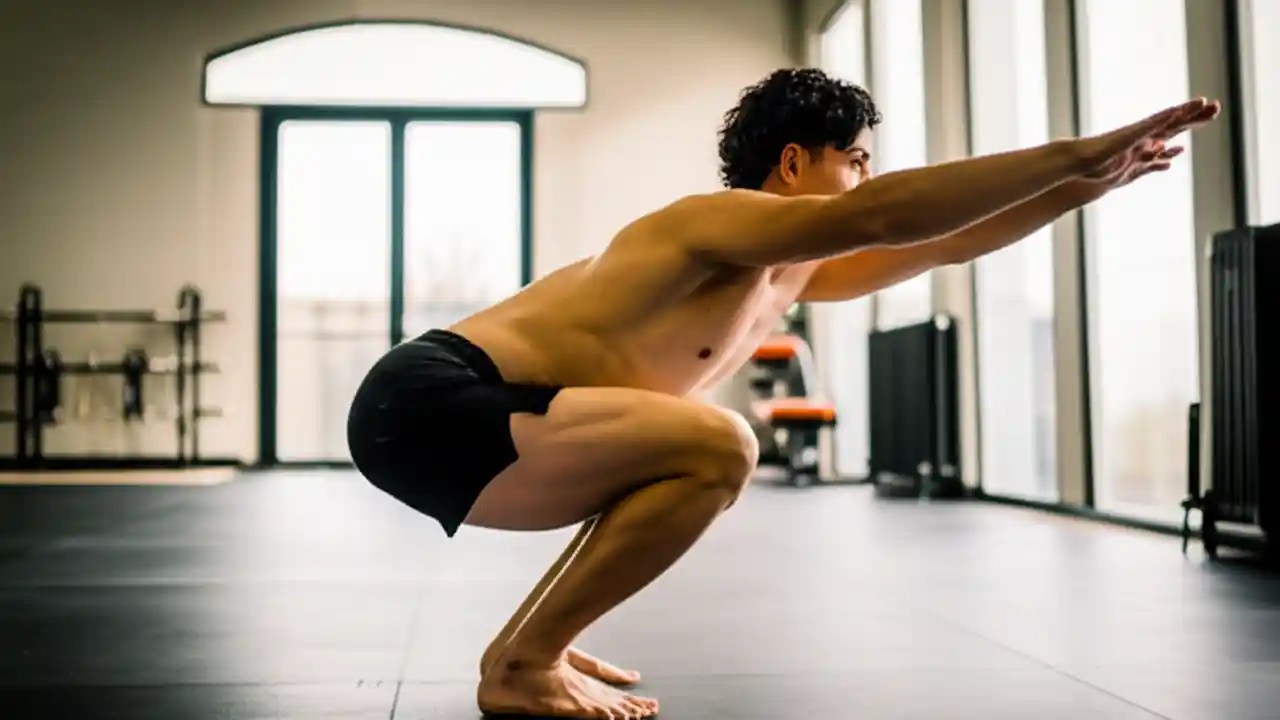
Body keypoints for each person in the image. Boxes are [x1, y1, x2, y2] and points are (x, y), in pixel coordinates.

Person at [346, 68, 1220, 719]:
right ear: (795, 161)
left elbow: (944, 241)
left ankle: (527, 652)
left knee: (680, 449)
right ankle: (524, 665)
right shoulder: (709, 221)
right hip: (430, 401)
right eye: (857, 161)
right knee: (719, 443)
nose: (868, 183)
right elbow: (887, 218)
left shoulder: (784, 277)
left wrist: (1081, 187)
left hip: (478, 420)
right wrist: (1076, 148)